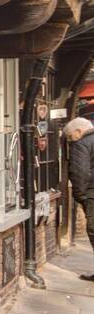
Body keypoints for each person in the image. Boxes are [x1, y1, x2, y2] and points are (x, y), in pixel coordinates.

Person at [67, 116, 94, 280]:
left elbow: (80, 173)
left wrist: (80, 196)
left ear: (78, 131)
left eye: (70, 137)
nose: (70, 141)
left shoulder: (82, 144)